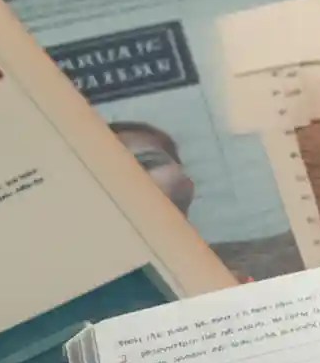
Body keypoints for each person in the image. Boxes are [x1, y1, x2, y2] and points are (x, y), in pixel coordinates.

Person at [109, 121, 304, 282]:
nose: (134, 177)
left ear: (188, 182)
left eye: (147, 163)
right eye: (114, 171)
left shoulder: (279, 256)